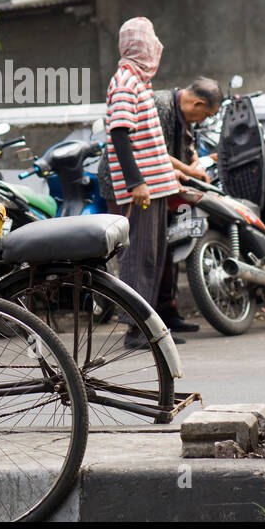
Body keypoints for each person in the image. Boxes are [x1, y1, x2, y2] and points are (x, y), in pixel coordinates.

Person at [100, 77, 222, 332]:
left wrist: (194, 164)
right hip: (128, 185)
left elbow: (185, 146)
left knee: (163, 249)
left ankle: (165, 315)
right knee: (138, 252)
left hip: (156, 185)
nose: (203, 121)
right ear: (197, 103)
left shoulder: (180, 112)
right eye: (205, 114)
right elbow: (152, 151)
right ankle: (138, 326)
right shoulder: (159, 103)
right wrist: (187, 170)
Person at [103, 17, 182, 348]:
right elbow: (119, 134)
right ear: (141, 47)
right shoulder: (125, 83)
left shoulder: (138, 82)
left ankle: (147, 326)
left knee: (154, 257)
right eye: (151, 43)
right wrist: (136, 183)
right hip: (142, 189)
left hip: (156, 185)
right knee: (139, 259)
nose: (156, 48)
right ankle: (136, 330)